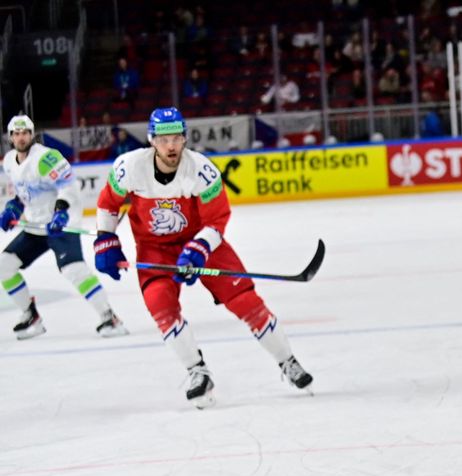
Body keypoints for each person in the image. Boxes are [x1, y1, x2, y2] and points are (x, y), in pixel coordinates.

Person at [91, 107, 313, 408]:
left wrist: (197, 250)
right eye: (164, 139)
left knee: (247, 302)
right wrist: (106, 239)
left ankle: (287, 361)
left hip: (202, 244)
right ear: (152, 140)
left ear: (185, 138)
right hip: (155, 249)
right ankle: (197, 372)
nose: (171, 146)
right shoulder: (129, 167)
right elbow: (108, 204)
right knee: (161, 306)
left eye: (177, 138)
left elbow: (217, 219)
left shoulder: (202, 170)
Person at [1, 114, 127, 340]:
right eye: (16, 134)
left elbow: (68, 187)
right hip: (35, 226)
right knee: (4, 266)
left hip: (61, 224)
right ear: (11, 137)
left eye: (25, 133)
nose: (21, 138)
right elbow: (25, 194)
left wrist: (60, 213)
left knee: (74, 270)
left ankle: (110, 317)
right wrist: (13, 208)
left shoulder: (46, 158)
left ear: (32, 135)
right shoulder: (9, 161)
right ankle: (31, 316)